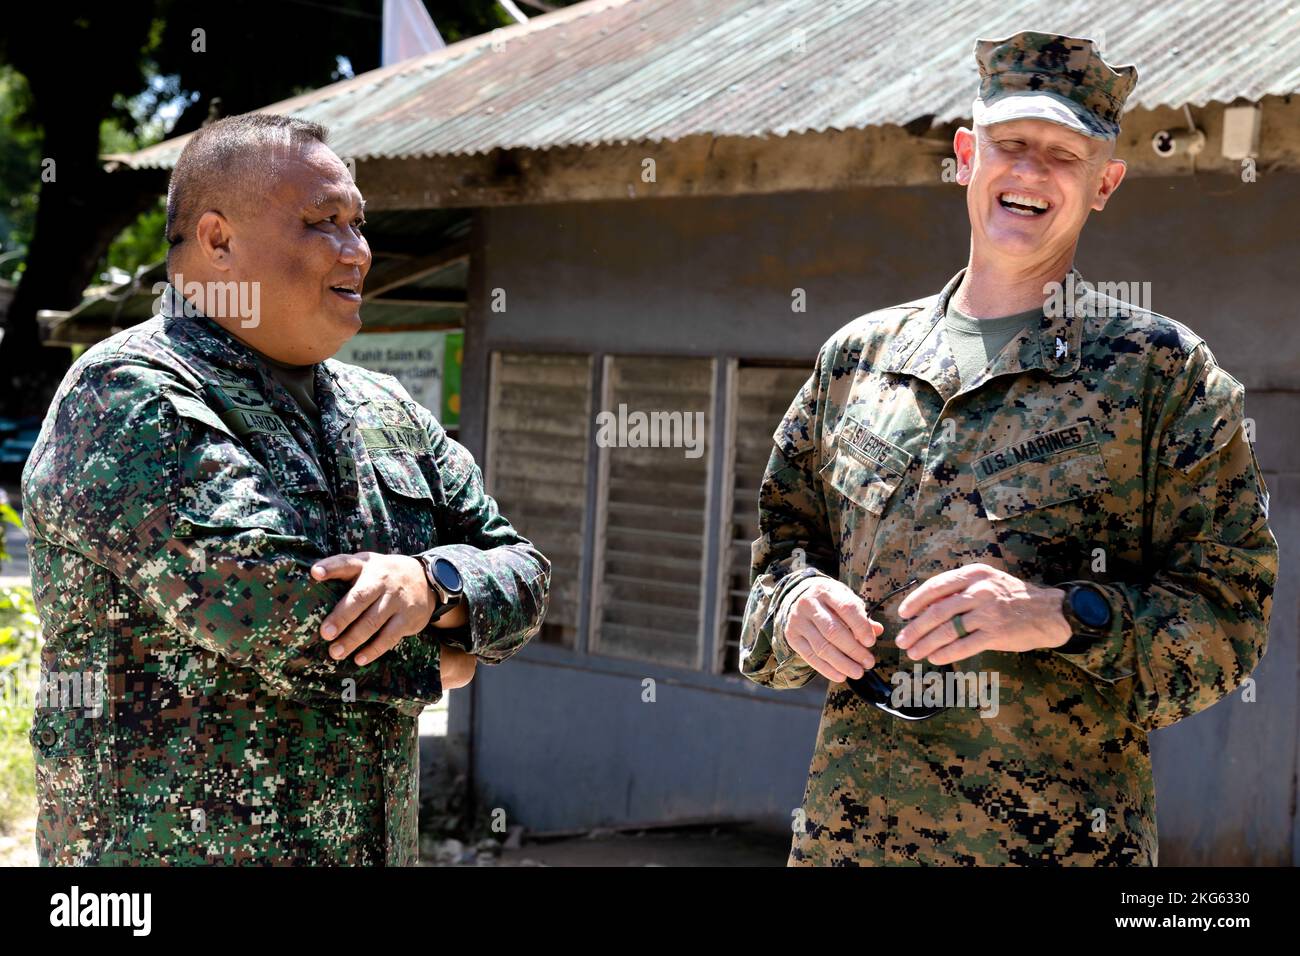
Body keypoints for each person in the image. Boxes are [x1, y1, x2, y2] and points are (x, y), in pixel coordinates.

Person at [740, 32, 1277, 865]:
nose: (1030, 172)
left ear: (1105, 183)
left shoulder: (1161, 377)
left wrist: (1063, 615)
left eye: (1063, 154)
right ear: (966, 155)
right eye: (1011, 144)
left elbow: (1230, 620)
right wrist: (795, 607)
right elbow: (780, 555)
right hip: (854, 839)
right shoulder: (858, 359)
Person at [21, 113, 550, 865]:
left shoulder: (385, 409)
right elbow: (269, 611)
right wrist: (446, 659)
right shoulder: (129, 394)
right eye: (324, 222)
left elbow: (522, 569)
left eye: (359, 224)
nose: (358, 250)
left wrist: (434, 586)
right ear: (218, 241)